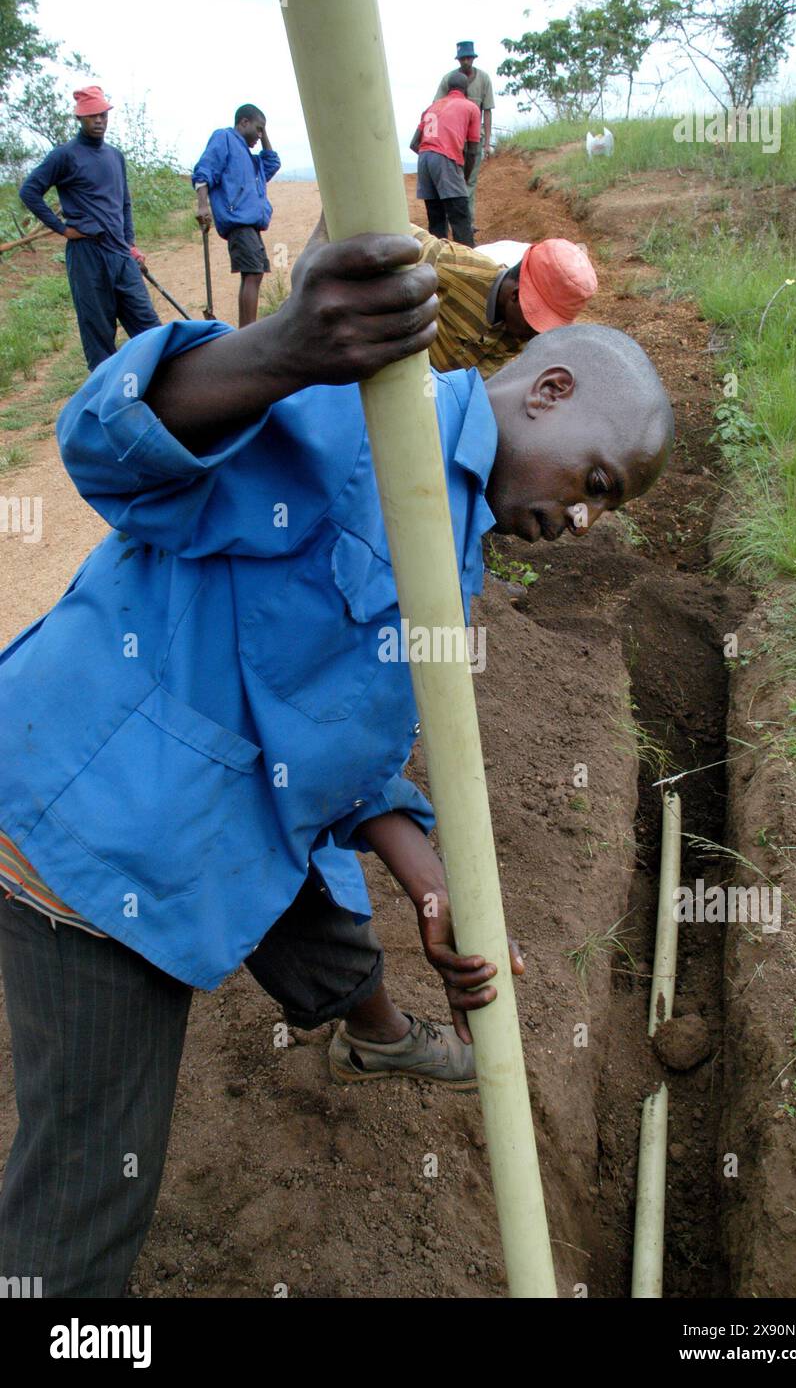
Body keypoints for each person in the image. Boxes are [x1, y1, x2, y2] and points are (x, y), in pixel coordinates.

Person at [0, 230, 673, 1297]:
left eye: (605, 508)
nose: (580, 520)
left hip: (233, 799)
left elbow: (344, 741)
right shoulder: (369, 424)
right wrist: (283, 351)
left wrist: (429, 878)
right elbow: (103, 447)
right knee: (90, 1179)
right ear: (548, 387)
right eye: (595, 480)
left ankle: (377, 1036)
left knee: (310, 903)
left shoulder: (454, 532)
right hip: (96, 840)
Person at [19, 85, 161, 372]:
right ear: (80, 118)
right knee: (99, 337)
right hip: (87, 255)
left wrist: (130, 245)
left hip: (120, 255)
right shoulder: (65, 155)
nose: (99, 120)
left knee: (150, 330)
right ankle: (105, 405)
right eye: (92, 115)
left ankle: (162, 391)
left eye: (103, 115)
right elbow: (29, 191)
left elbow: (125, 206)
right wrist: (62, 228)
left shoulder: (114, 156)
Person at [411, 224, 597, 376]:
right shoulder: (454, 265)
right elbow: (401, 233)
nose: (538, 335)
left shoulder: (521, 332)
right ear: (515, 296)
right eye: (537, 323)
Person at [192, 104, 281, 327]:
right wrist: (203, 206)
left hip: (251, 225)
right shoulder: (224, 138)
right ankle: (247, 332)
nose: (259, 137)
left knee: (255, 273)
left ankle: (246, 329)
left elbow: (272, 162)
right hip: (238, 221)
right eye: (257, 129)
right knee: (252, 273)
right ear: (243, 123)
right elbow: (204, 170)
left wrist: (263, 130)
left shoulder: (253, 160)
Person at [411, 72, 479, 246]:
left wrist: (432, 157)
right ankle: (469, 265)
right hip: (445, 158)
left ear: (448, 88)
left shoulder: (432, 107)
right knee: (460, 217)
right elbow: (472, 150)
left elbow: (414, 144)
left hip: (424, 159)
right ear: (467, 89)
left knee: (436, 220)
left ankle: (439, 264)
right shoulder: (470, 107)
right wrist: (464, 177)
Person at [434, 41, 494, 228]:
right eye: (463, 58)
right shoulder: (448, 80)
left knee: (469, 181)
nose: (466, 61)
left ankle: (467, 222)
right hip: (454, 140)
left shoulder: (484, 79)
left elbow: (488, 110)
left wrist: (487, 143)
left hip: (475, 138)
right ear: (458, 60)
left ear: (474, 58)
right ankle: (452, 222)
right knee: (452, 181)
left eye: (469, 57)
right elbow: (437, 107)